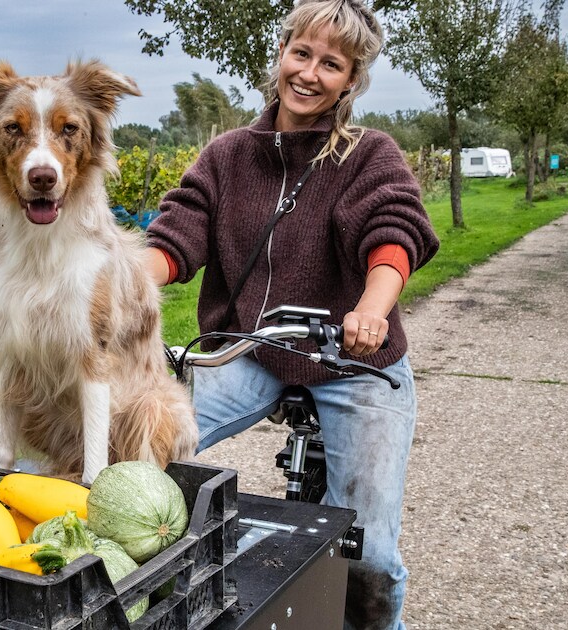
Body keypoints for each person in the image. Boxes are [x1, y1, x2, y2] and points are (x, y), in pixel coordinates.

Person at [144, 1, 440, 628]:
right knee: (141, 450)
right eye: (301, 54)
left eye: (331, 63)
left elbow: (394, 229)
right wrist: (128, 286)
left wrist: (372, 310)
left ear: (351, 81)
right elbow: (179, 231)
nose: (309, 73)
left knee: (370, 554)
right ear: (281, 56)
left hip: (353, 358)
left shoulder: (368, 153)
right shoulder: (228, 154)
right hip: (249, 349)